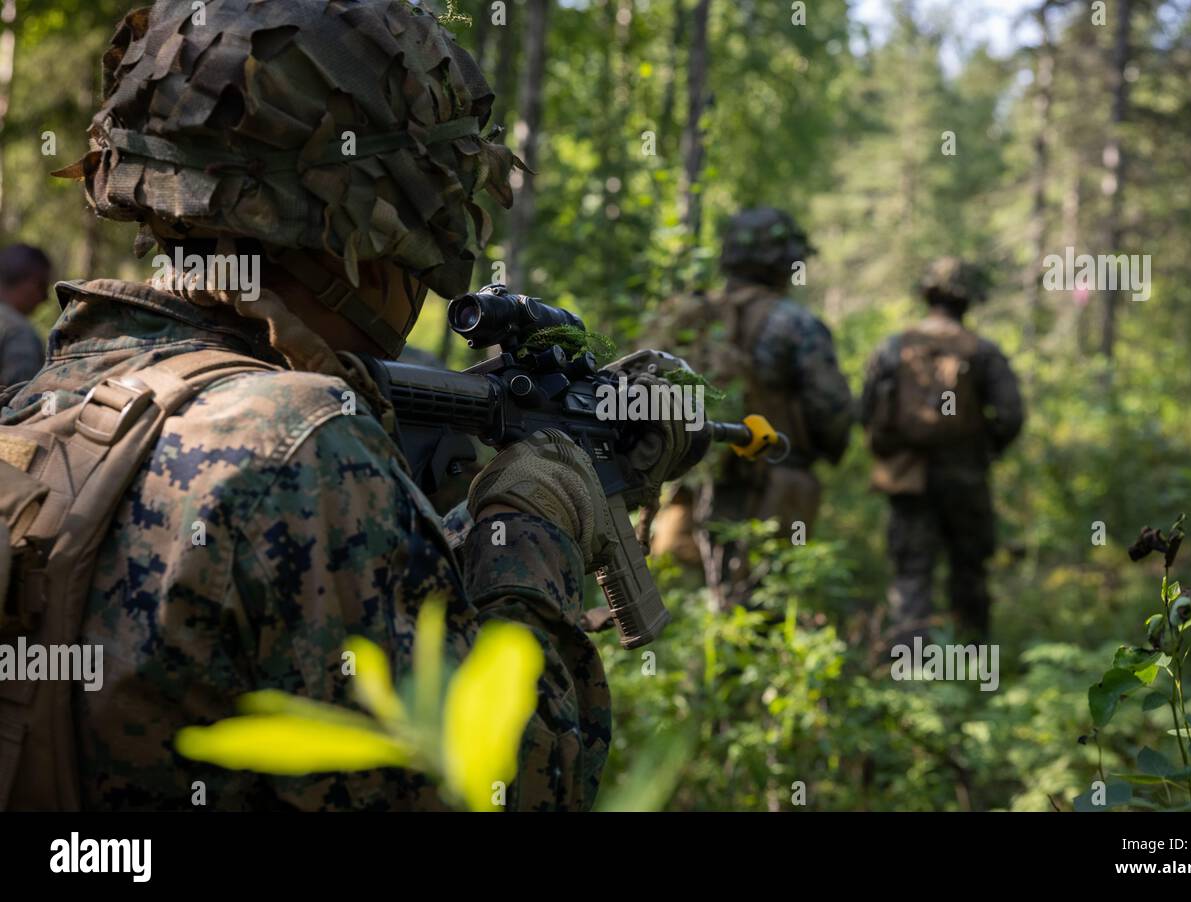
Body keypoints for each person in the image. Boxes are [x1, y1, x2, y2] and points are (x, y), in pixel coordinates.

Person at [0, 0, 689, 812]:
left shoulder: (38, 404)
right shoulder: (303, 447)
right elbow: (511, 781)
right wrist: (532, 520)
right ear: (363, 226)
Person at [647, 208, 853, 605]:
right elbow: (832, 411)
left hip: (684, 483)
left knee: (680, 606)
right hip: (772, 483)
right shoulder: (794, 324)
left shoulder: (687, 314)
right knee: (761, 609)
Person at [860, 257, 1023, 644]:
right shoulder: (982, 351)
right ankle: (973, 666)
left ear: (926, 294)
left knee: (911, 574)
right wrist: (983, 450)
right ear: (970, 300)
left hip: (906, 476)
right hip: (965, 477)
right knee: (969, 570)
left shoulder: (893, 347)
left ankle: (908, 673)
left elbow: (864, 410)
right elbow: (1011, 415)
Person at [0, 243, 51, 386]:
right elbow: (21, 401)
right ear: (30, 283)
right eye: (43, 286)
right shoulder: (19, 332)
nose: (45, 298)